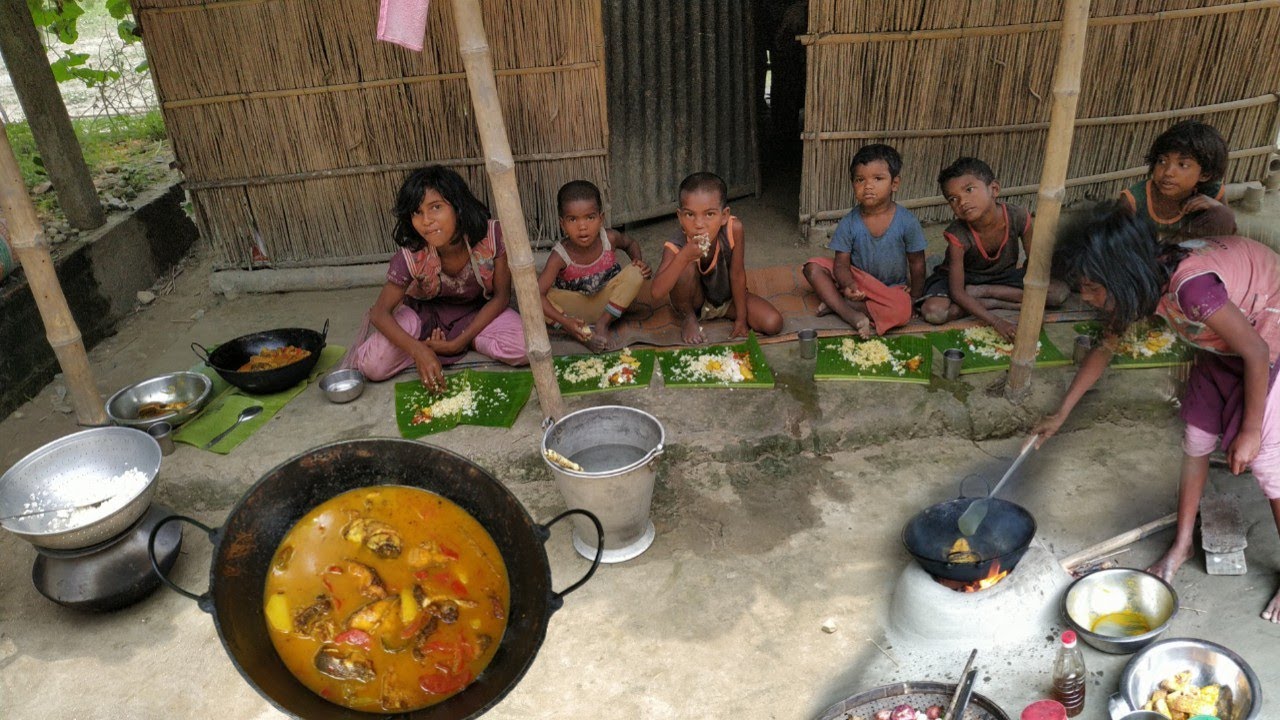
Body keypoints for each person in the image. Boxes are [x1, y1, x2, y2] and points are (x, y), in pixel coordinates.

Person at [1034, 202, 1280, 623]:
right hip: (1226, 344)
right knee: (1196, 439)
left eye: (1091, 287)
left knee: (1267, 464)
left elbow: (1256, 352)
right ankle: (1181, 545)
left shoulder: (1191, 289)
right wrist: (1060, 414)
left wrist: (1251, 430)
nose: (1086, 297)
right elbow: (1105, 349)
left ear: (1121, 275)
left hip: (1268, 337)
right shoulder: (1143, 282)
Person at [351, 166, 527, 388]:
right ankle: (429, 346)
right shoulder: (412, 255)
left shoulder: (491, 236)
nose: (426, 220)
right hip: (424, 316)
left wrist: (458, 342)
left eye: (436, 207)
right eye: (417, 212)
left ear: (458, 206)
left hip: (477, 312)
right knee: (372, 365)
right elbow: (379, 313)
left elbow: (501, 297)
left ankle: (466, 341)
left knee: (525, 347)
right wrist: (419, 350)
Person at [920, 157, 1069, 340]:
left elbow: (1034, 265)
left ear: (994, 189)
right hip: (965, 280)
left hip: (1003, 278)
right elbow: (957, 292)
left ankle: (986, 296)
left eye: (969, 190)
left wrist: (1035, 296)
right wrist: (997, 322)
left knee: (1058, 293)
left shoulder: (1018, 217)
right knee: (934, 312)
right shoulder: (958, 235)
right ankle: (1001, 303)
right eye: (953, 199)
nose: (962, 201)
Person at [801, 143, 926, 338]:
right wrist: (848, 285)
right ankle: (851, 315)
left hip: (889, 289)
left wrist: (915, 298)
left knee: (902, 310)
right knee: (812, 267)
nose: (868, 186)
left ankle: (837, 304)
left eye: (878, 178)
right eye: (860, 180)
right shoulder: (849, 222)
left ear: (894, 184)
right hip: (858, 280)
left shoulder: (907, 221)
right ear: (853, 185)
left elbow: (917, 263)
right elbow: (841, 265)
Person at [649, 172, 784, 344]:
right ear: (680, 217)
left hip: (727, 300)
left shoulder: (734, 229)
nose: (699, 224)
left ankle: (727, 313)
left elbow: (737, 274)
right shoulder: (675, 245)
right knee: (683, 265)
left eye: (709, 214)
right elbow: (656, 292)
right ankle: (688, 318)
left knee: (773, 322)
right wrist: (684, 256)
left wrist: (741, 318)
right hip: (695, 304)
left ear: (724, 215)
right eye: (690, 215)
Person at [538, 180, 651, 352]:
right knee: (534, 299)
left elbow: (630, 243)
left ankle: (603, 324)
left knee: (636, 272)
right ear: (562, 224)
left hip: (608, 303)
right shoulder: (559, 256)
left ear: (601, 218)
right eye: (572, 219)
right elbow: (538, 295)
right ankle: (580, 333)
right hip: (574, 311)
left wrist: (638, 260)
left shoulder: (610, 239)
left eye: (590, 217)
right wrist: (565, 321)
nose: (582, 227)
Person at [1120, 119, 1236, 242]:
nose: (1168, 172)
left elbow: (1229, 238)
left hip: (1197, 253)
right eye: (1162, 161)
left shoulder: (1212, 191)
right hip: (1150, 253)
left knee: (1223, 215)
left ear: (1204, 175)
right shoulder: (1134, 200)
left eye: (1183, 165)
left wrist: (1217, 206)